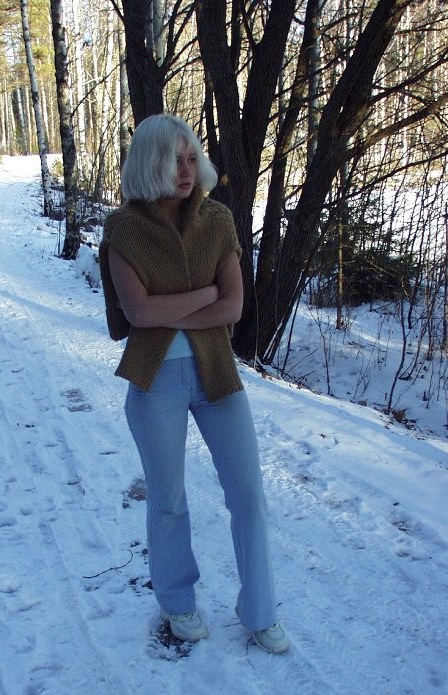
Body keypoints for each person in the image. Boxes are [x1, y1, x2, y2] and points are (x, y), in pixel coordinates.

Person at [99, 113, 289, 654]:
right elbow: (137, 312)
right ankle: (178, 602)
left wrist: (177, 307)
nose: (185, 170)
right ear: (148, 165)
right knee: (168, 498)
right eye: (172, 160)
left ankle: (260, 611)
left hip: (217, 374)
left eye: (190, 158)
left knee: (248, 494)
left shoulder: (217, 220)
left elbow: (234, 304)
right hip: (155, 378)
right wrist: (203, 297)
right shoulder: (124, 231)